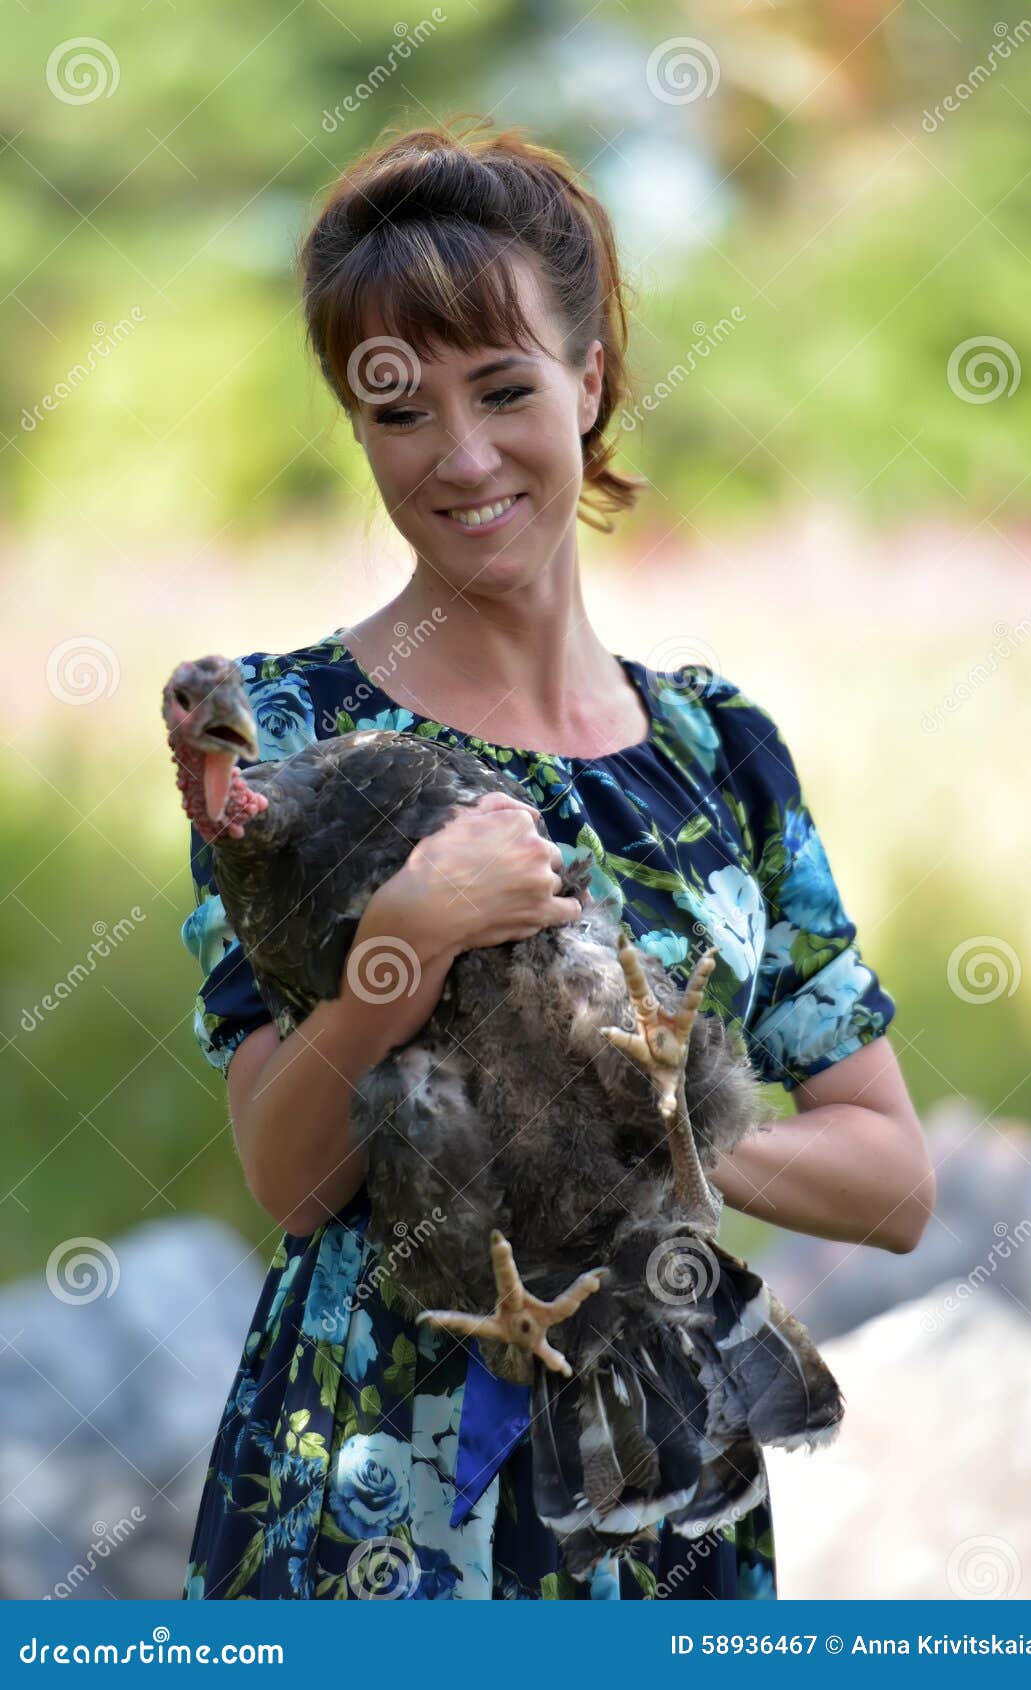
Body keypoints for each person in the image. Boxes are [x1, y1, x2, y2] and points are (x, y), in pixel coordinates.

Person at [178, 118, 935, 1601]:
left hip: (657, 1490)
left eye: (505, 389)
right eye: (399, 412)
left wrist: (658, 1137)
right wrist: (407, 940)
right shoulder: (287, 734)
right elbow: (288, 1174)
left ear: (589, 385)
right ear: (356, 425)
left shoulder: (722, 755)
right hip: (371, 1493)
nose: (460, 458)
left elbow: (895, 1180)